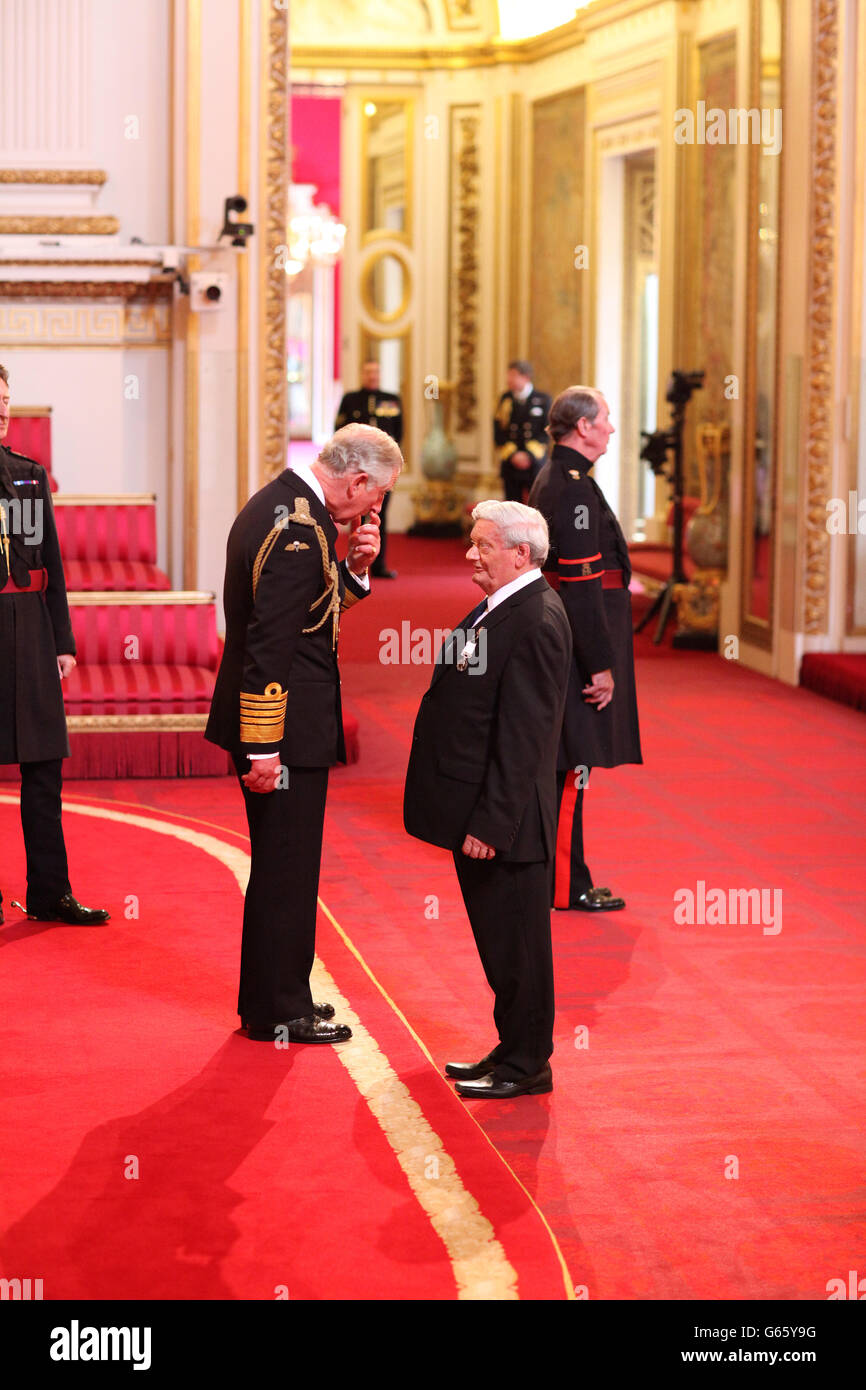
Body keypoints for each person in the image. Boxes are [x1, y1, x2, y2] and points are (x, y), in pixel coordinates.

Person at [205, 422, 402, 1043]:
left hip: (284, 726)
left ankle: (287, 993)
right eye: (378, 495)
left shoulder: (295, 511)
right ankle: (274, 1010)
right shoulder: (297, 529)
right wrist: (264, 746)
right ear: (358, 479)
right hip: (282, 732)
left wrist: (356, 572)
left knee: (287, 866)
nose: (375, 509)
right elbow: (271, 645)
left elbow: (309, 617)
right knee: (285, 869)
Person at [403, 500, 572, 1098]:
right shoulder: (507, 605)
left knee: (519, 948)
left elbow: (525, 738)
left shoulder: (536, 620)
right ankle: (510, 1048)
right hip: (485, 813)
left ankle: (528, 1066)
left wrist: (493, 823)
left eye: (483, 545)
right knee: (501, 946)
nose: (471, 554)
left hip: (509, 826)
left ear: (519, 553)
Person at [0, 364, 109, 927]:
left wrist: (61, 639)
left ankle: (49, 892)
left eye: (6, 401)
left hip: (32, 629)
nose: (2, 410)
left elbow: (53, 564)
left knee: (44, 769)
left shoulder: (27, 476)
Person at [529, 386, 642, 912]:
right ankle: (565, 884)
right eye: (607, 419)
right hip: (579, 650)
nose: (612, 429)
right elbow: (579, 583)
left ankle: (569, 876)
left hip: (573, 643)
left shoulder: (567, 478)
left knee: (571, 766)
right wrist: (600, 664)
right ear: (583, 428)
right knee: (575, 766)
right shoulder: (572, 488)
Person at [335, 360, 403, 578]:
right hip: (356, 468)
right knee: (355, 515)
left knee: (377, 515)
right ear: (362, 374)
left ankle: (378, 563)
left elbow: (398, 433)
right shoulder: (350, 399)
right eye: (368, 372)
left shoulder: (391, 400)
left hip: (382, 468)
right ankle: (354, 562)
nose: (372, 376)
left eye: (376, 372)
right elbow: (340, 431)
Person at [493, 360, 552, 504]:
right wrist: (513, 455)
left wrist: (528, 455)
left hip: (534, 463)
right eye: (509, 376)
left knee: (537, 506)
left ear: (526, 377)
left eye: (513, 376)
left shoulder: (543, 400)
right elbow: (498, 431)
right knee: (511, 508)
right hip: (511, 463)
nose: (509, 380)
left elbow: (547, 431)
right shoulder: (505, 399)